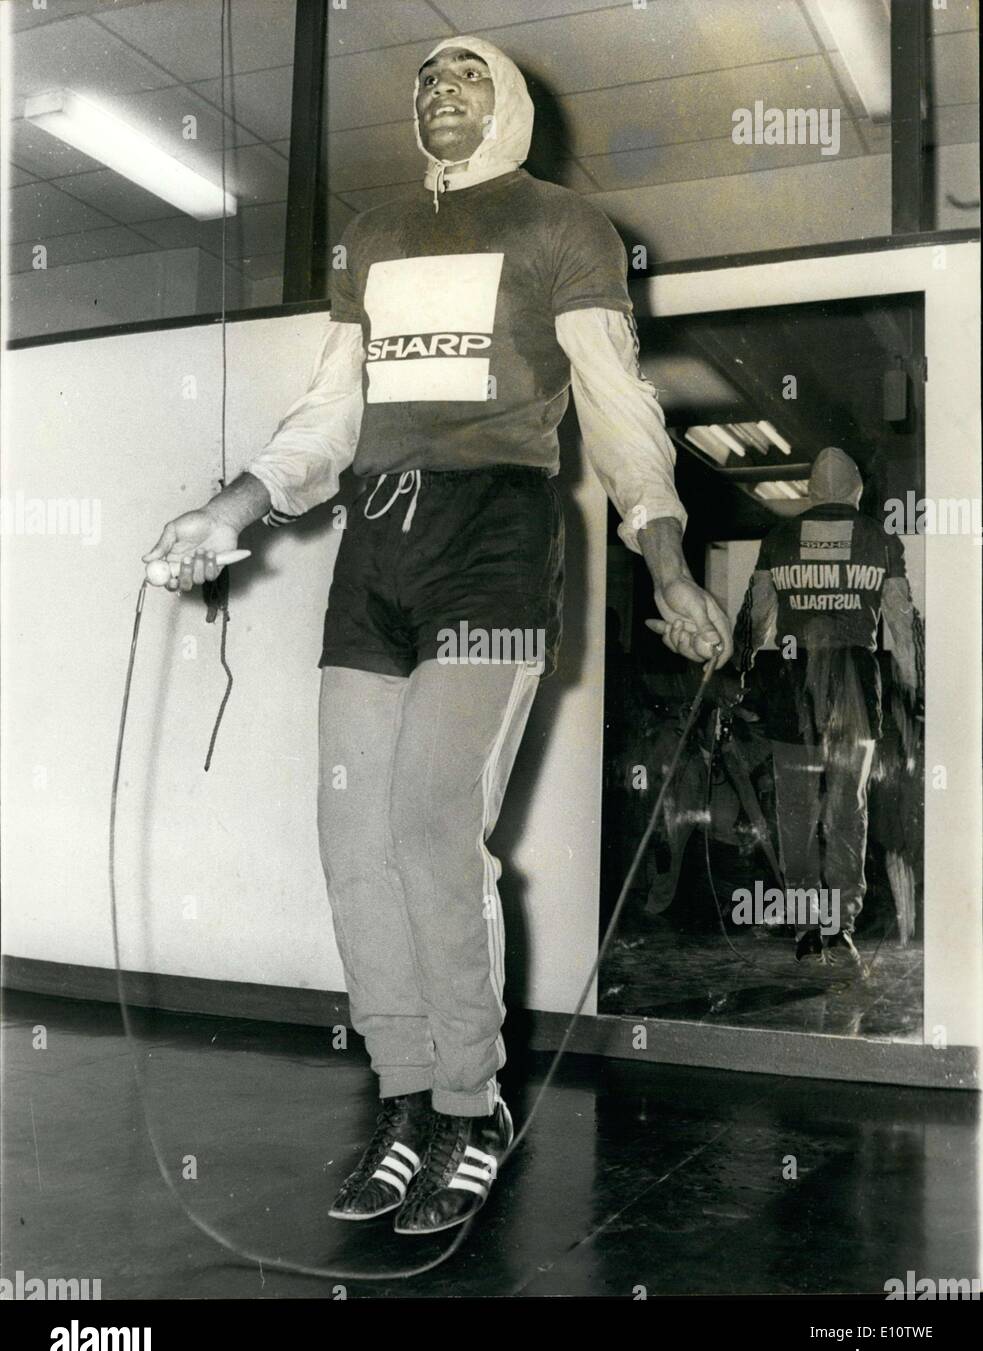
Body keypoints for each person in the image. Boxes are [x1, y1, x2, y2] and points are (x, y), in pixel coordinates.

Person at [144, 35, 732, 1235]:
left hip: (494, 543)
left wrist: (665, 557)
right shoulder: (371, 231)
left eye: (468, 78)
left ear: (507, 105)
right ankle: (406, 1098)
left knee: (425, 817)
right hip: (379, 547)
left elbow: (619, 409)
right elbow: (329, 411)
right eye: (425, 82)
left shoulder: (565, 228)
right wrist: (230, 507)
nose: (442, 93)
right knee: (350, 829)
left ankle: (473, 1104)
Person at [734, 447, 923, 965]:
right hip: (855, 689)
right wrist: (911, 687)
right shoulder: (881, 539)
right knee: (848, 810)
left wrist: (740, 673)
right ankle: (840, 925)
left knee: (793, 811)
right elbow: (902, 625)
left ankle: (804, 927)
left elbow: (756, 619)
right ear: (857, 487)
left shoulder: (778, 539)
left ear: (813, 490)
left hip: (794, 684)